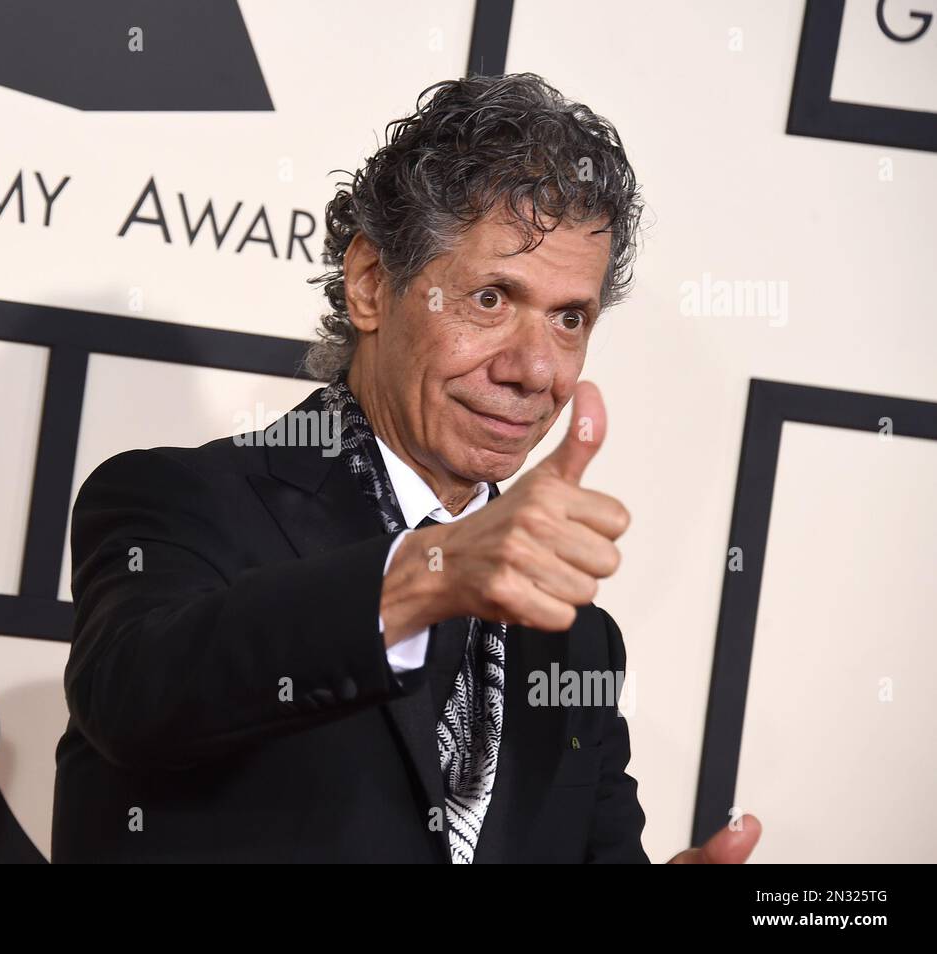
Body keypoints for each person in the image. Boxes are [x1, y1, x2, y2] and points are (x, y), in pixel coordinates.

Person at [51, 72, 761, 863]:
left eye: (569, 319)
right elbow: (136, 698)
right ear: (368, 285)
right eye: (491, 298)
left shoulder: (576, 644)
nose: (535, 369)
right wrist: (430, 573)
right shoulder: (175, 502)